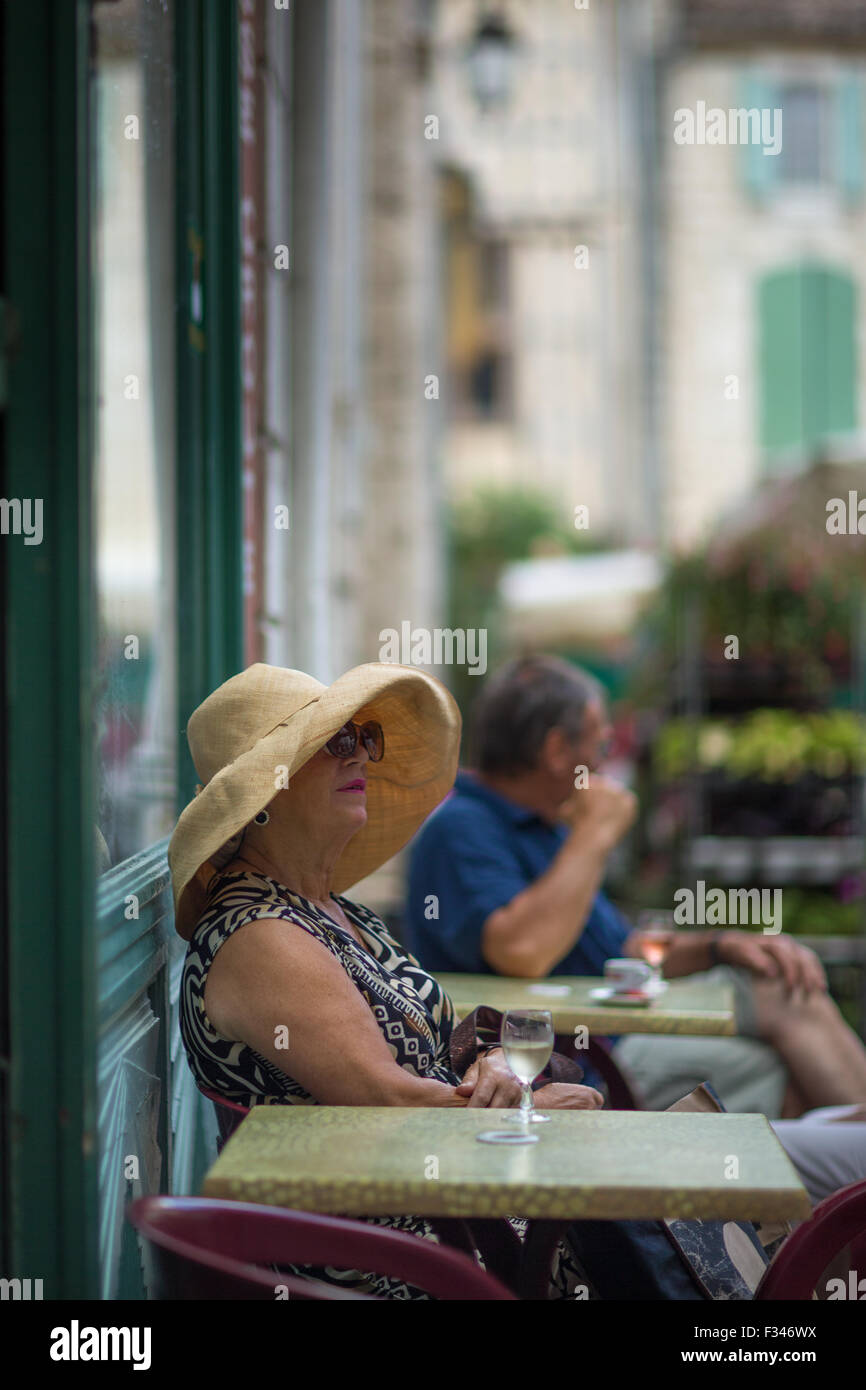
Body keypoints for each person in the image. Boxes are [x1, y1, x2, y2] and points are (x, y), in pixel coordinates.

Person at [168, 660, 602, 1300]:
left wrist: (492, 1068)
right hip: (387, 1260)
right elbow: (389, 1100)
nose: (362, 757)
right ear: (265, 790)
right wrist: (529, 1110)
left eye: (364, 737)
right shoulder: (259, 934)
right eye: (336, 743)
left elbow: (424, 1047)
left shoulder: (329, 907)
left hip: (445, 1208)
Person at [404, 654, 866, 1120]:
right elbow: (522, 949)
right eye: (600, 746)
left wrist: (721, 946)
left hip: (613, 1034)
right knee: (778, 1059)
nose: (604, 762)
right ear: (558, 749)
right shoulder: (463, 828)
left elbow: (623, 951)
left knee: (779, 983)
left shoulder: (549, 828)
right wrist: (594, 835)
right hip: (568, 1062)